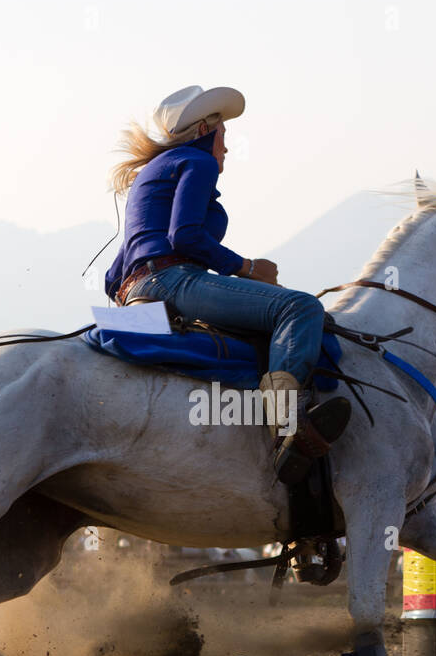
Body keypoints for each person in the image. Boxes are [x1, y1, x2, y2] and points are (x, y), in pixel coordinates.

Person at [104, 85, 350, 485]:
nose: (228, 148)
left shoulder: (152, 172)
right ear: (204, 129)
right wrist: (248, 268)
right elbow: (183, 237)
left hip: (136, 290)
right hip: (173, 281)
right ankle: (288, 428)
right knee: (300, 308)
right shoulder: (196, 163)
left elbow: (115, 272)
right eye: (224, 136)